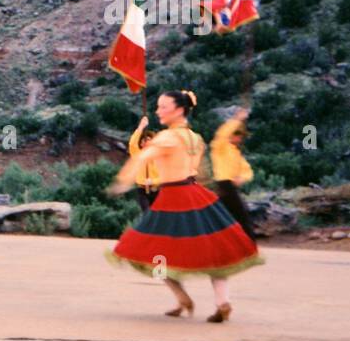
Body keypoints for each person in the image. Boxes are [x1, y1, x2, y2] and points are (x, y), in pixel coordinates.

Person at [108, 90, 262, 323]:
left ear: (179, 109)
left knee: (151, 252)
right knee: (214, 250)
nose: (158, 111)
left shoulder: (166, 138)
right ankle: (222, 301)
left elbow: (140, 157)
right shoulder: (195, 138)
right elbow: (197, 172)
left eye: (163, 107)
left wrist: (122, 182)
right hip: (197, 195)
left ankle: (182, 297)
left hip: (172, 199)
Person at [210, 108, 257, 243]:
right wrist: (237, 120)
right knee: (240, 214)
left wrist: (242, 178)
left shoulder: (236, 152)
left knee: (226, 215)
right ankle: (249, 242)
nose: (238, 138)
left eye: (240, 135)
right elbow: (221, 134)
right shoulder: (220, 147)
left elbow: (247, 170)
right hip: (223, 184)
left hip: (229, 186)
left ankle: (233, 242)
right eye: (236, 135)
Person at [127, 116, 160, 214]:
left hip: (156, 190)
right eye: (144, 140)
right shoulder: (138, 155)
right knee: (147, 214)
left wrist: (153, 181)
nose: (147, 142)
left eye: (149, 139)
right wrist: (141, 127)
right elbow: (132, 144)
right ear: (141, 144)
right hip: (142, 190)